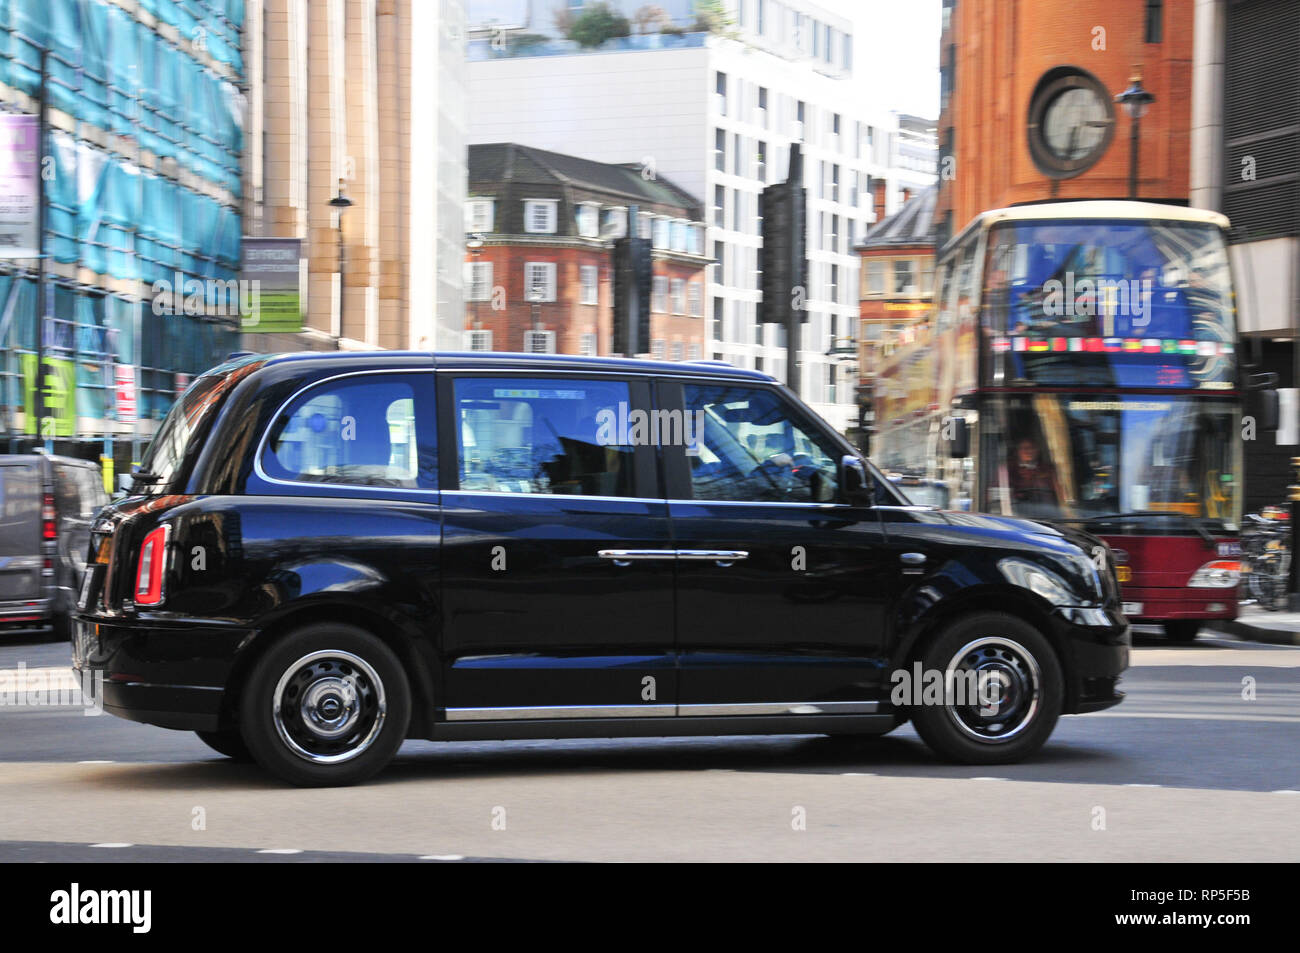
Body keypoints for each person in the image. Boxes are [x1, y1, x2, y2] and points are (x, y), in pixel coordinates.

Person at [1009, 436, 1056, 509]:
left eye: (1032, 448)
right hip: (1017, 511)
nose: (1028, 451)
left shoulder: (1048, 469)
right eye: (1024, 448)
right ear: (1017, 451)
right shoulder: (1009, 469)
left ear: (1037, 450)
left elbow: (1058, 491)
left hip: (1048, 509)